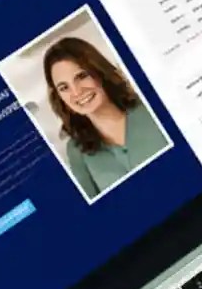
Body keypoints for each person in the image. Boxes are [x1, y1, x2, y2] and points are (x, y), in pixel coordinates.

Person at [43, 36, 168, 200]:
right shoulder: (76, 150)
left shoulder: (151, 107)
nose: (76, 92)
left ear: (99, 71)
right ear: (59, 97)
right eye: (64, 87)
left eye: (81, 76)